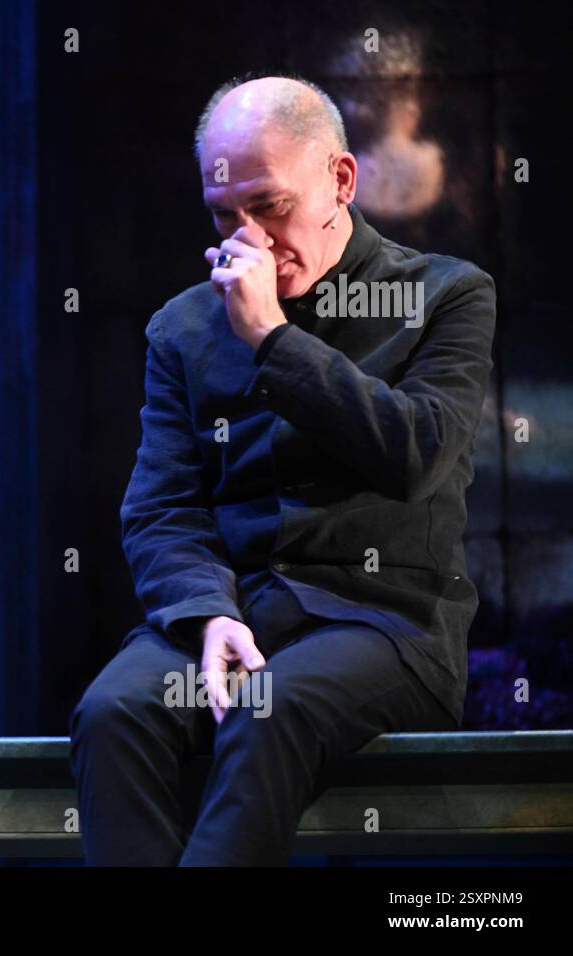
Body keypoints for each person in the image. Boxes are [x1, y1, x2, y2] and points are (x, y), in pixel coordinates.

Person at [69, 75, 496, 865]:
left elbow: (417, 454)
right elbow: (163, 509)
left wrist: (272, 338)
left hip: (381, 620)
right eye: (223, 216)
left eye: (268, 207)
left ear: (340, 180)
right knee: (111, 713)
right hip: (235, 610)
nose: (248, 241)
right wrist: (206, 615)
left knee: (268, 712)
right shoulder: (184, 327)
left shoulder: (444, 295)